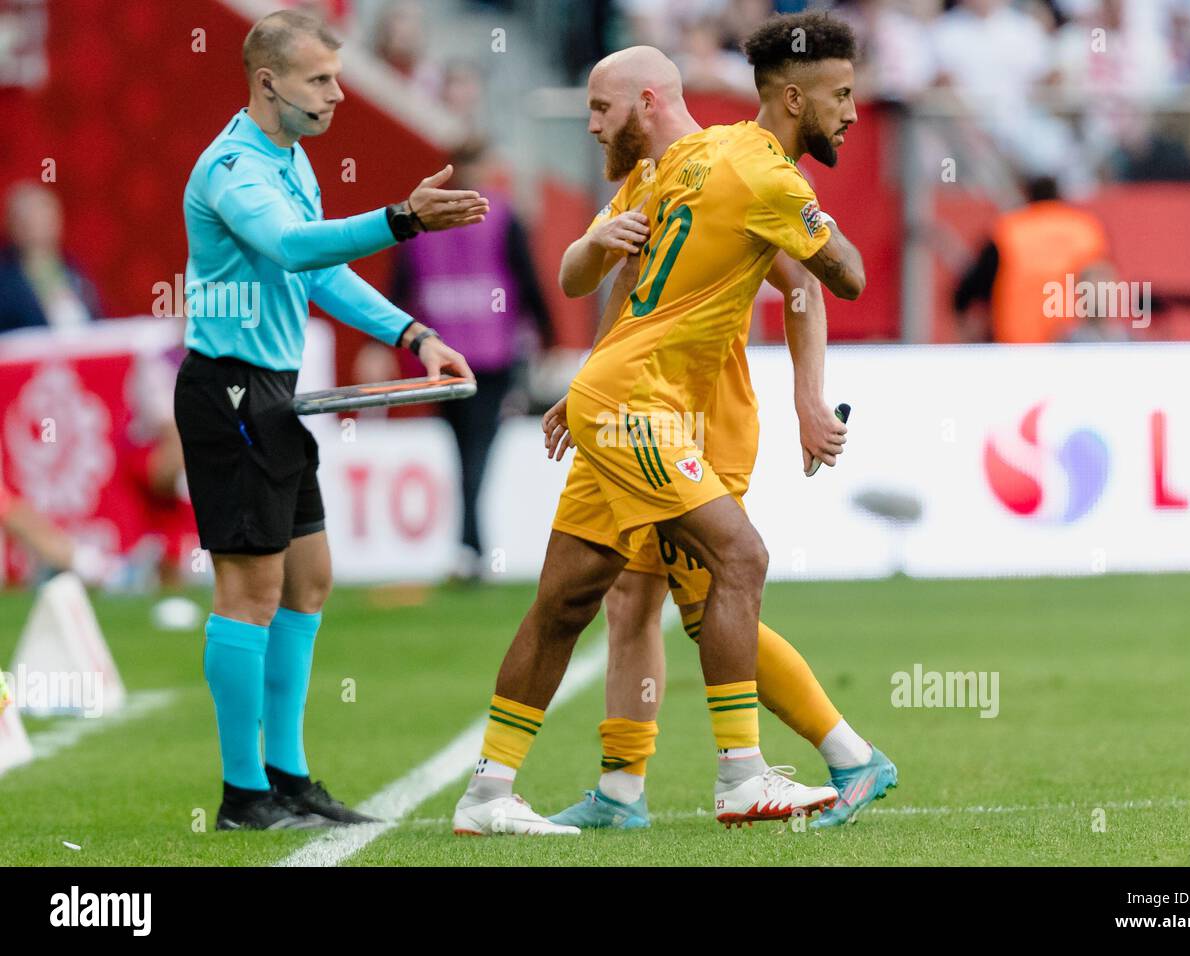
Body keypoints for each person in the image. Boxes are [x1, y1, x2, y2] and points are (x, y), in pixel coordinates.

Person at [450, 36, 867, 837]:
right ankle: (742, 774)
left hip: (666, 400)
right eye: (840, 95)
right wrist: (809, 215)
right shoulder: (733, 168)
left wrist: (808, 396)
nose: (592, 127)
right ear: (792, 100)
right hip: (641, 402)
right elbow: (839, 271)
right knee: (728, 567)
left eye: (600, 110)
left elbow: (795, 285)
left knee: (582, 598)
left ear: (645, 103)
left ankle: (495, 789)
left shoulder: (694, 161)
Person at [174, 8, 482, 831]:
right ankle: (244, 796)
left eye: (338, 77)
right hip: (231, 393)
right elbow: (292, 248)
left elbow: (324, 273)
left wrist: (415, 334)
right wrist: (403, 217)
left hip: (272, 394)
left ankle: (290, 775)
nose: (338, 94)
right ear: (268, 83)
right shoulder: (235, 167)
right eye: (321, 79)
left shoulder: (292, 159)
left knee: (308, 580)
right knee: (251, 592)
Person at [392, 146, 554, 581]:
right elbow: (528, 277)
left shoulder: (423, 221)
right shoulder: (501, 214)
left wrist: (386, 338)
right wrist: (548, 334)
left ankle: (469, 548)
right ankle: (471, 548)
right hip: (488, 352)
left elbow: (399, 283)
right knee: (476, 449)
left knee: (465, 449)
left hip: (442, 353)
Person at [953, 175, 1110, 343]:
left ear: (1027, 197)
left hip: (1016, 344)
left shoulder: (1008, 230)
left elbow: (968, 290)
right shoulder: (1084, 230)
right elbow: (1099, 288)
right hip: (1070, 343)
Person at [0, 182, 101, 334]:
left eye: (48, 218)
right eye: (33, 219)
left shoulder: (72, 268)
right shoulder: (6, 278)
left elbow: (97, 318)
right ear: (15, 225)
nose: (43, 227)